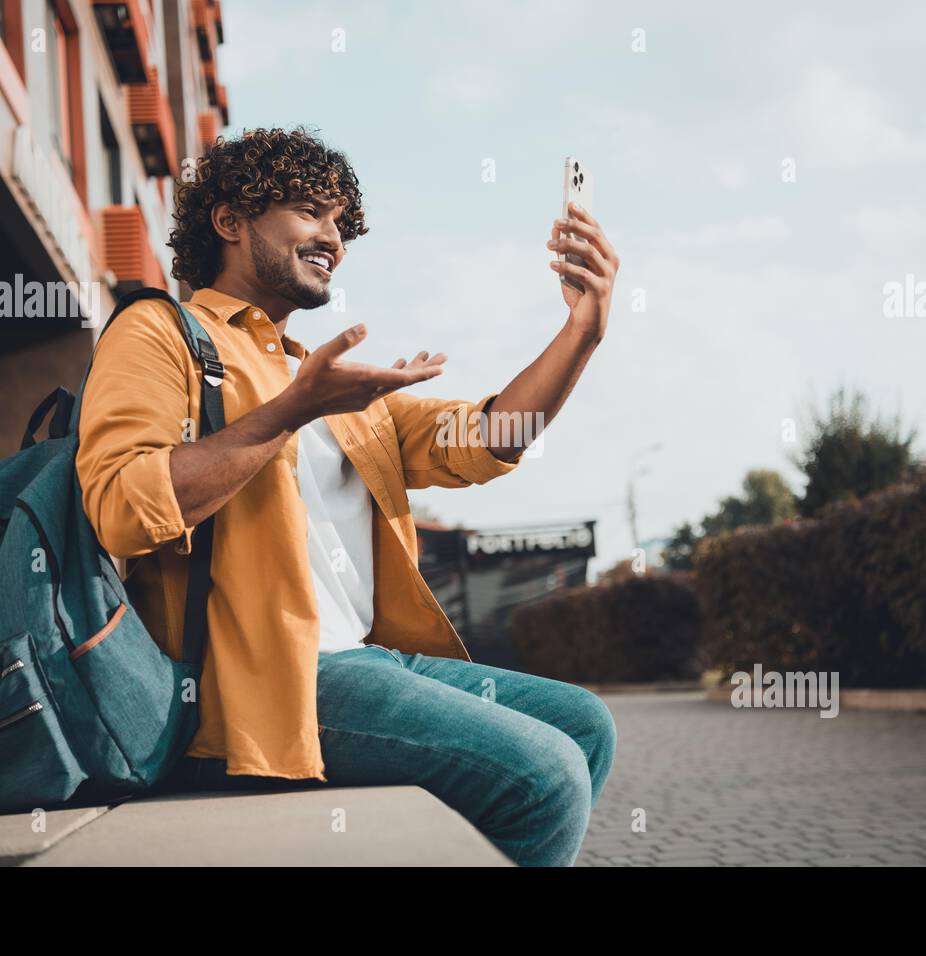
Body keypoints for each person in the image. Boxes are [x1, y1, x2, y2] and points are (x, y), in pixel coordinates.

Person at [75, 126, 621, 866]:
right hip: (262, 684)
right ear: (229, 221)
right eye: (308, 211)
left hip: (370, 660)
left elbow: (494, 436)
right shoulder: (161, 333)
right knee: (544, 776)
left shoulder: (333, 382)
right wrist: (292, 411)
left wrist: (581, 331)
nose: (332, 235)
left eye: (342, 223)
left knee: (584, 724)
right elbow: (119, 506)